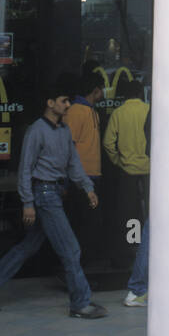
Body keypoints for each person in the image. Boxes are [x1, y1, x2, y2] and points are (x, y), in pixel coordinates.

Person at [0, 84, 106, 318]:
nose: (68, 105)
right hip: (44, 195)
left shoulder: (64, 130)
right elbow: (25, 169)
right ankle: (80, 303)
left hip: (54, 193)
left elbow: (73, 163)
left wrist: (87, 188)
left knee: (28, 247)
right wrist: (28, 203)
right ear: (50, 103)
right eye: (63, 100)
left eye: (68, 101)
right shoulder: (36, 131)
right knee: (71, 249)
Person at [102, 78, 150, 290]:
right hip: (149, 170)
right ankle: (148, 254)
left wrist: (118, 161)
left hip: (128, 171)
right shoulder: (149, 110)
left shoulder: (119, 113)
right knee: (150, 216)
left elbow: (107, 143)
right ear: (141, 93)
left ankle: (126, 255)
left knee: (127, 215)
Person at [64, 67, 105, 267]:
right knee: (82, 223)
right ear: (95, 90)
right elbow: (67, 145)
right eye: (102, 89)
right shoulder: (76, 111)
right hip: (81, 177)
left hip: (91, 175)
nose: (104, 93)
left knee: (88, 223)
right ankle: (79, 264)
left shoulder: (90, 111)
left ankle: (84, 263)